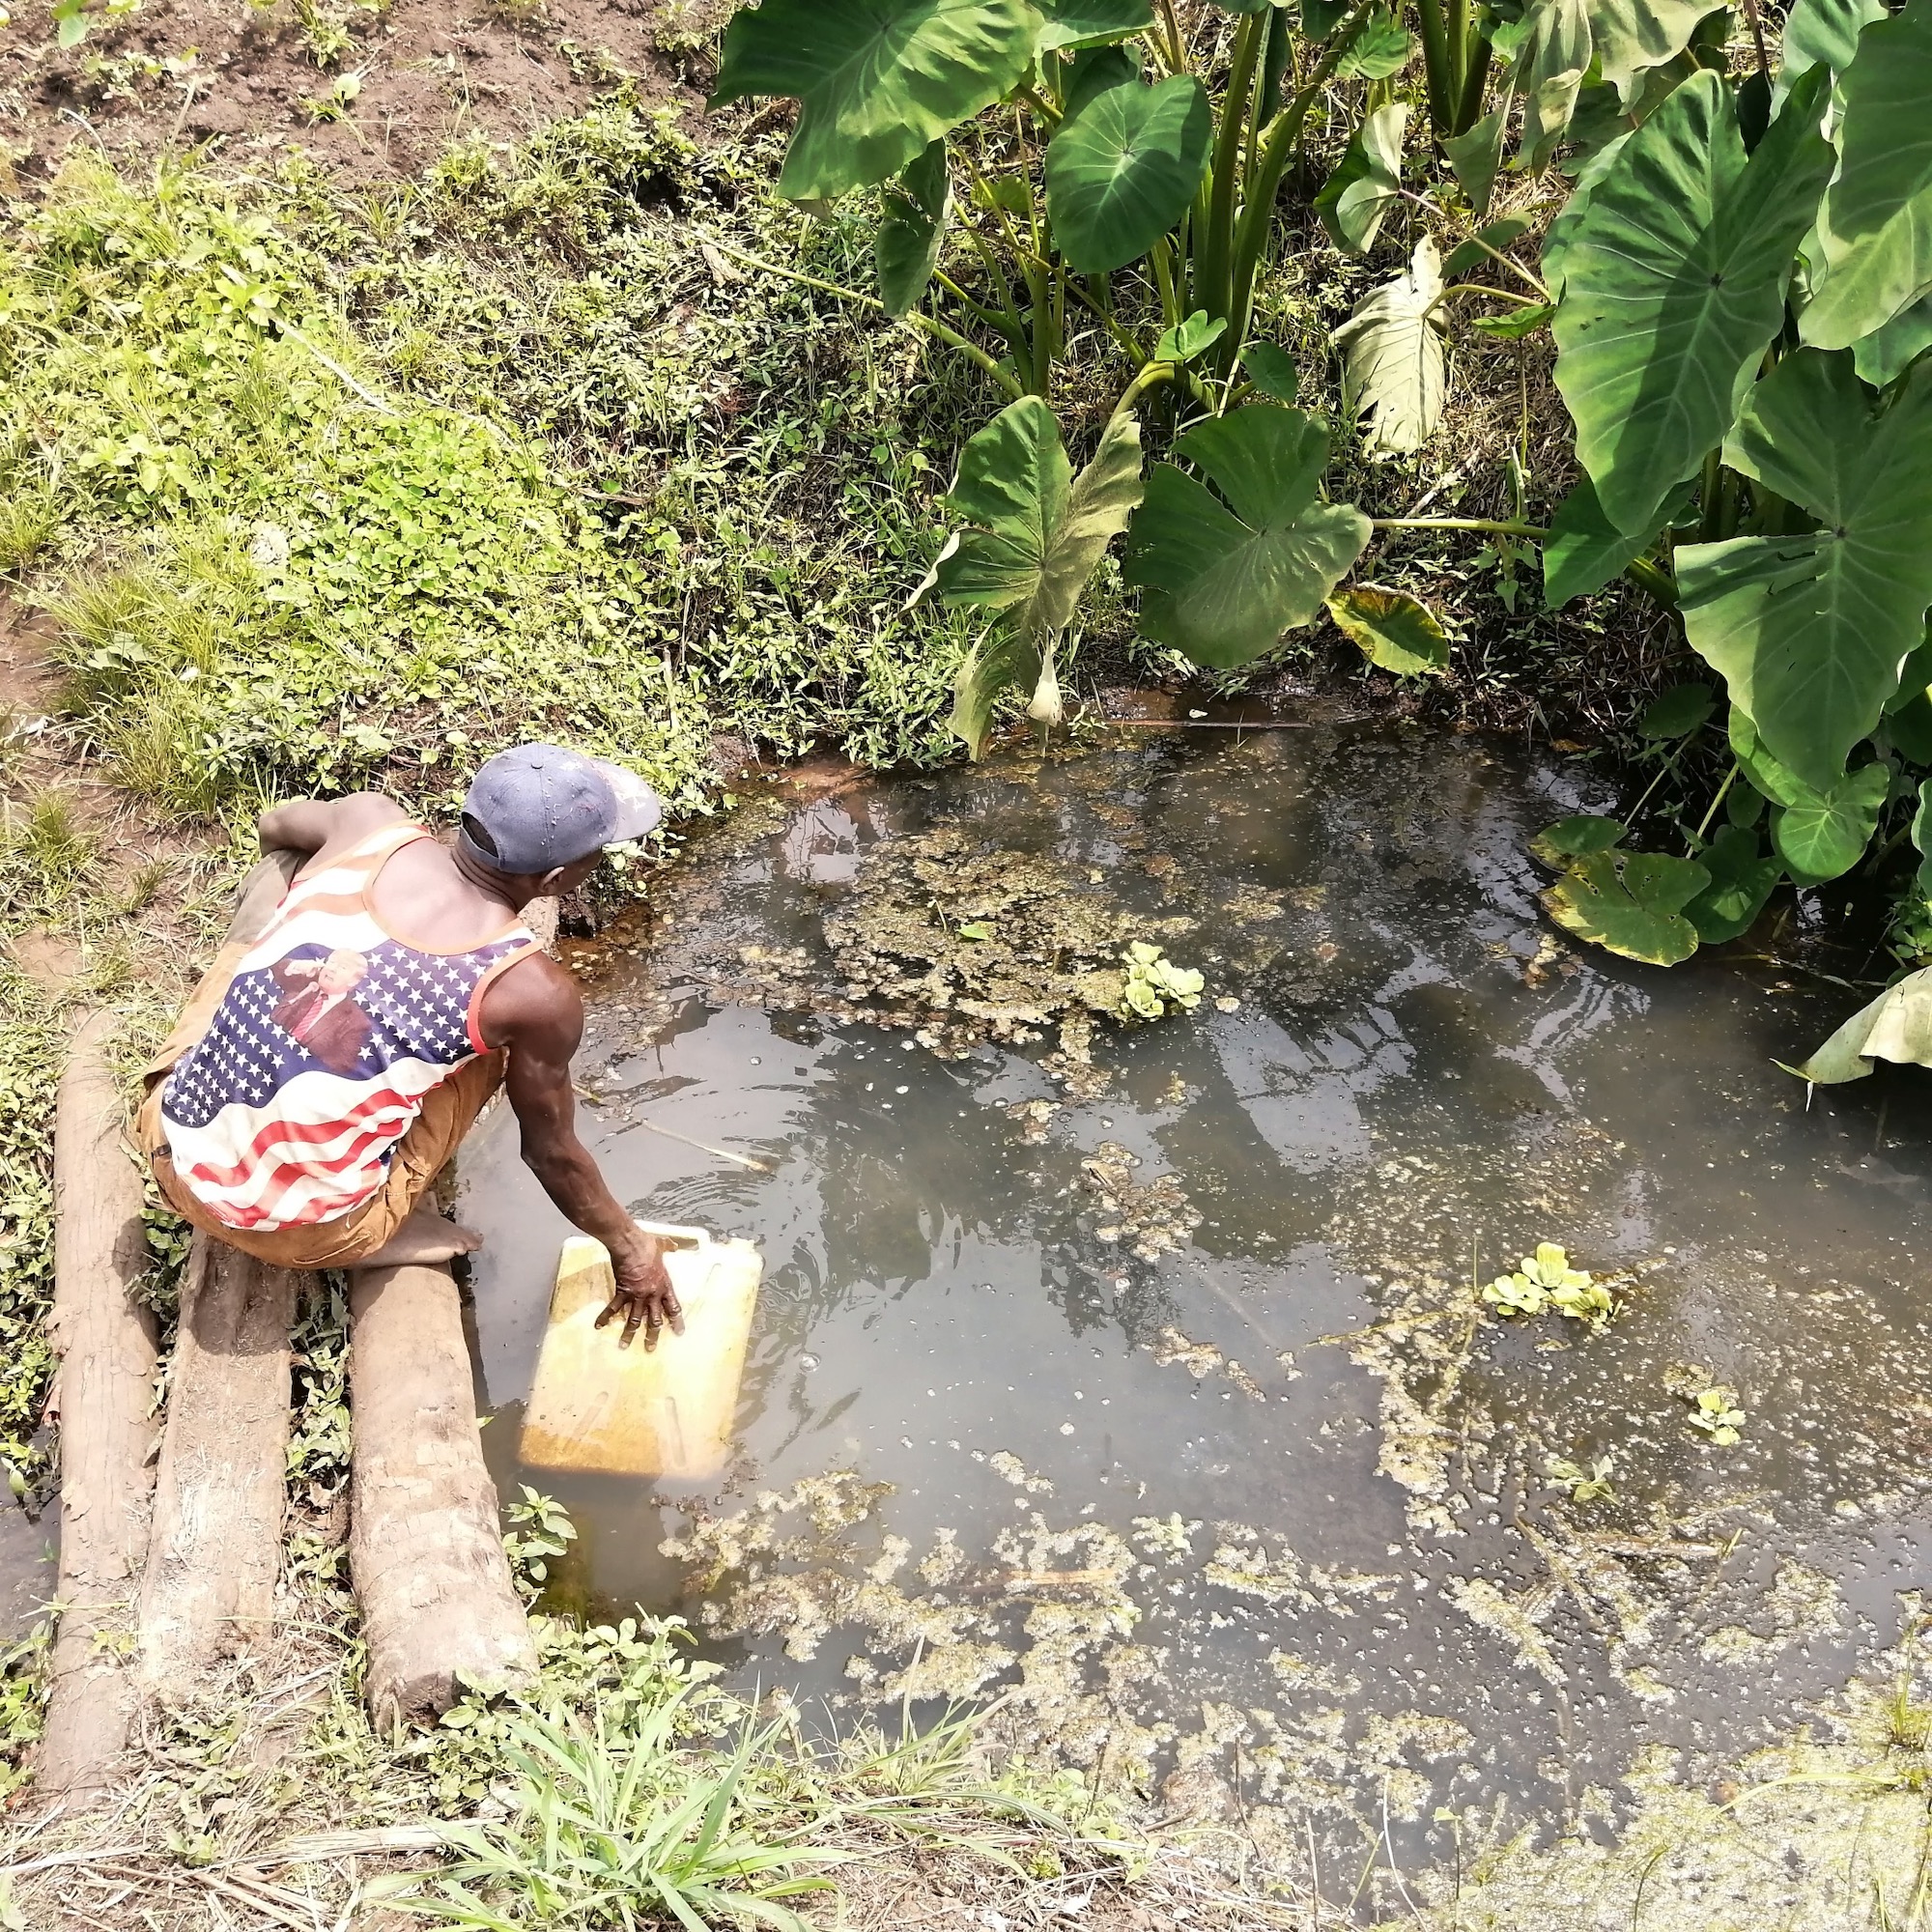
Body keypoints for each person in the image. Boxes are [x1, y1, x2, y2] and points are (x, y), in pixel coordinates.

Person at [137, 743, 684, 1346]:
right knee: (495, 1048)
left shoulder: (370, 824)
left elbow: (276, 828)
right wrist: (633, 1251)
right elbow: (550, 1153)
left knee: (290, 883)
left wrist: (310, 914)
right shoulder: (529, 990)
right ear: (555, 880)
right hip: (299, 1234)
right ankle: (368, 1225)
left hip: (167, 1140)